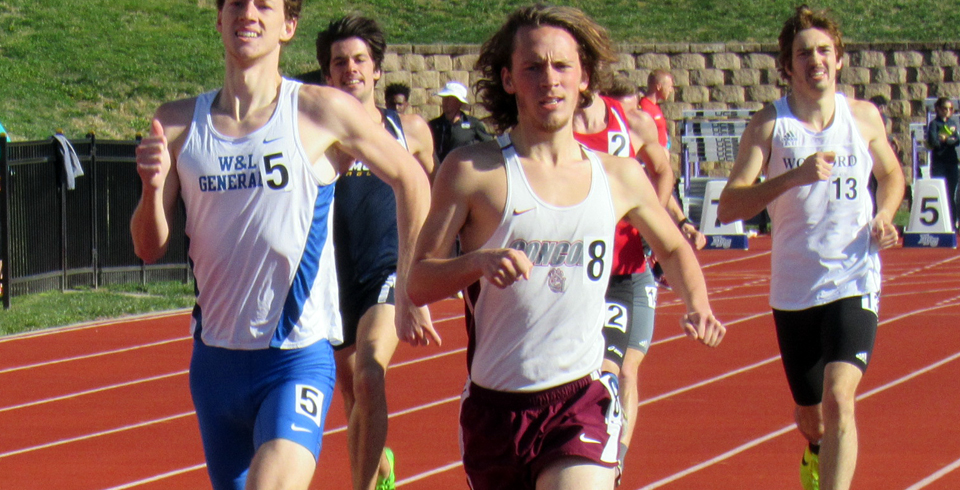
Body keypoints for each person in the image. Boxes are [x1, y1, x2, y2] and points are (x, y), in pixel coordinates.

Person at [405, 5, 725, 489]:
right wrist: (477, 262)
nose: (549, 80)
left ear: (584, 77)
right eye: (533, 67)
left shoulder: (618, 176)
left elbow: (674, 248)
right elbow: (419, 281)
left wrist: (697, 303)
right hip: (496, 408)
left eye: (561, 66)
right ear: (509, 79)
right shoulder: (472, 171)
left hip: (580, 399)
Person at [130, 1, 431, 489]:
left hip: (294, 358)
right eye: (236, 3)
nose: (248, 12)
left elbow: (411, 179)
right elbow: (148, 247)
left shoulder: (318, 111)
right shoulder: (178, 123)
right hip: (215, 363)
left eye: (264, 4)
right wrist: (150, 189)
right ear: (219, 19)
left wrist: (410, 283)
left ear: (288, 25)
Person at [717, 5, 905, 490]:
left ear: (839, 59)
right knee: (812, 414)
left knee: (840, 397)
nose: (815, 60)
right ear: (788, 65)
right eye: (804, 53)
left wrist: (885, 214)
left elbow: (891, 174)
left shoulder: (862, 118)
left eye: (824, 50)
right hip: (795, 287)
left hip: (854, 276)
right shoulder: (769, 125)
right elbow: (729, 205)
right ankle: (818, 449)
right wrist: (792, 177)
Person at [315, 15, 436, 490]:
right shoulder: (316, 133)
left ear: (377, 69)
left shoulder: (410, 130)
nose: (351, 69)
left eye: (360, 59)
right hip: (333, 277)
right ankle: (380, 466)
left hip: (385, 270)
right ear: (328, 73)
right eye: (340, 62)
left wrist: (420, 273)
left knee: (369, 375)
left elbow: (432, 191)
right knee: (353, 400)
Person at [572, 75, 706, 479]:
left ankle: (614, 461)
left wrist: (650, 215)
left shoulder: (634, 123)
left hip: (627, 271)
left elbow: (663, 170)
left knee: (621, 370)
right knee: (581, 376)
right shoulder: (555, 128)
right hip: (579, 273)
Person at [428, 81, 493, 163]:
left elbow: (489, 146)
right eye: (444, 98)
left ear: (459, 102)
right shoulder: (433, 125)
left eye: (450, 98)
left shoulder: (474, 124)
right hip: (440, 169)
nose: (445, 101)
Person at [925, 96, 959, 229]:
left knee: (952, 194)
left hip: (952, 162)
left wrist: (946, 139)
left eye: (951, 109)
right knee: (940, 193)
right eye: (945, 108)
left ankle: (952, 223)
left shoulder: (952, 123)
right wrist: (945, 140)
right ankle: (940, 223)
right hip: (939, 163)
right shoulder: (934, 124)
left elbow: (956, 140)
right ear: (938, 109)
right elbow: (933, 142)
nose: (948, 111)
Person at [639, 69, 675, 159]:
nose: (671, 90)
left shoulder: (655, 106)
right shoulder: (644, 107)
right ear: (659, 87)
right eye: (669, 86)